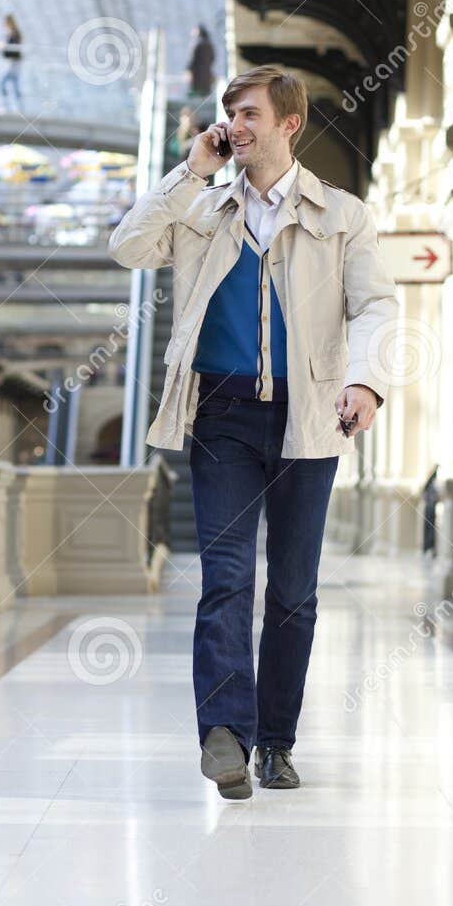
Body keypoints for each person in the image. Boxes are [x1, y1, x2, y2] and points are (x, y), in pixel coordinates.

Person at [108, 65, 397, 798]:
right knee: (227, 577)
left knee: (294, 591)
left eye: (247, 114)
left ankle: (275, 742)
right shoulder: (202, 211)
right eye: (228, 114)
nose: (233, 125)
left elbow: (375, 306)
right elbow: (126, 246)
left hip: (309, 415)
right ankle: (225, 735)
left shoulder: (342, 214)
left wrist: (364, 381)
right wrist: (187, 172)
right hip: (223, 413)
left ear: (287, 124)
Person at [0, 13, 23, 108]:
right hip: (13, 63)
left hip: (12, 63)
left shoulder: (14, 34)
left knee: (3, 82)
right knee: (14, 84)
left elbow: (14, 49)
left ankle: (7, 104)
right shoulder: (13, 34)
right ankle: (18, 105)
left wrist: (3, 47)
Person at [187, 24, 215, 101]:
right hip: (206, 73)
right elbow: (213, 58)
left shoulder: (197, 44)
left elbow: (192, 59)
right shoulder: (209, 44)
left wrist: (189, 71)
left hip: (197, 73)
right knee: (204, 93)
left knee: (196, 92)